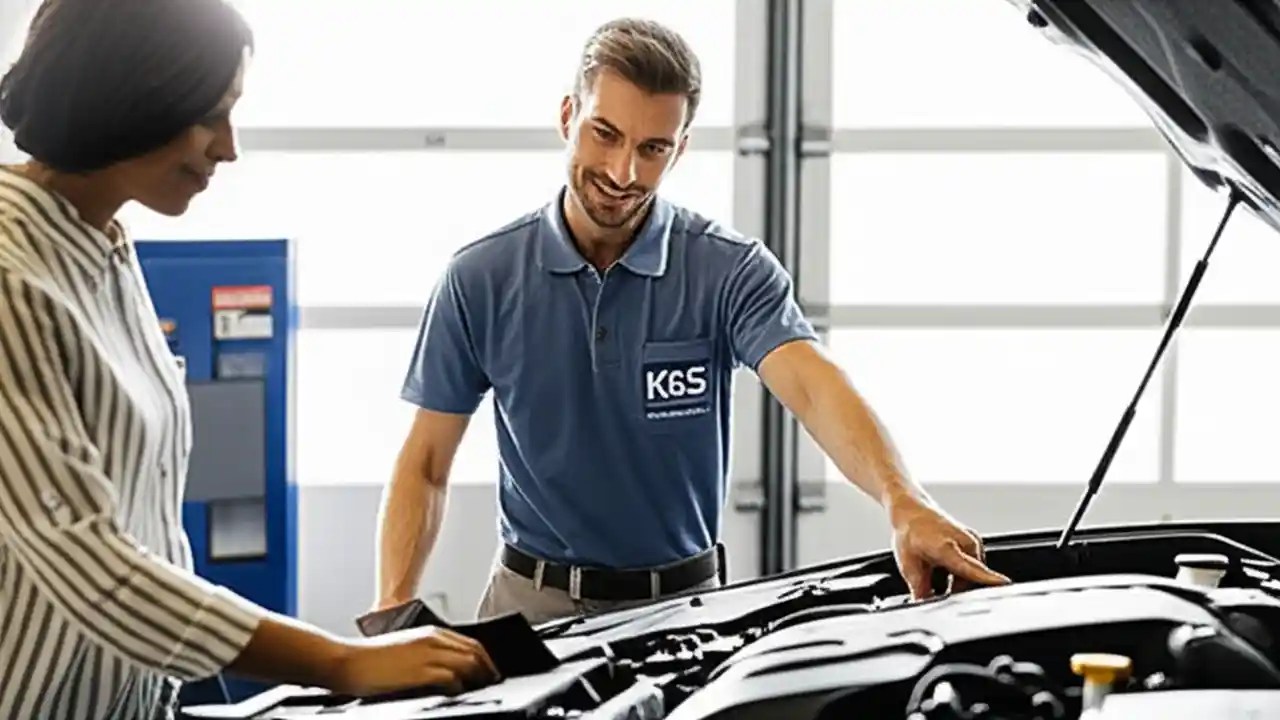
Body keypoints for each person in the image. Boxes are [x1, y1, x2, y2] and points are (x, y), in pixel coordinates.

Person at [374, 17, 1012, 627]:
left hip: (685, 606)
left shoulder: (727, 270)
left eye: (652, 148)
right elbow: (426, 462)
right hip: (530, 608)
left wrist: (904, 500)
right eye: (605, 133)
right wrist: (393, 610)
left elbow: (814, 386)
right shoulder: (479, 279)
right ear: (568, 116)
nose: (624, 172)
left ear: (680, 148)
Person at [0, 1, 497, 717]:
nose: (227, 148)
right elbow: (91, 569)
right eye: (210, 115)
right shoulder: (14, 278)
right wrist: (343, 663)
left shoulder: (105, 247)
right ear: (128, 95)